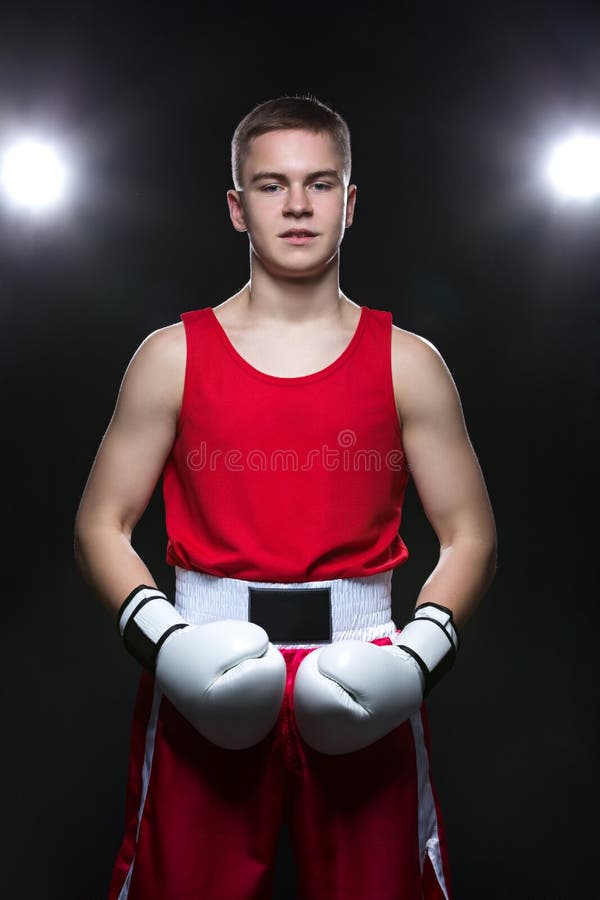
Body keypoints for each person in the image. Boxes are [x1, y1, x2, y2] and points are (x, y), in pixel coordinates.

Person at [74, 94, 497, 900]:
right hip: (203, 658)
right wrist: (163, 641)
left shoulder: (410, 361)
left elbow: (471, 534)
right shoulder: (171, 356)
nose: (297, 205)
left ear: (350, 201)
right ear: (238, 208)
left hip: (366, 666)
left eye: (320, 183)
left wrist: (418, 656)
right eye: (271, 186)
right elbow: (100, 522)